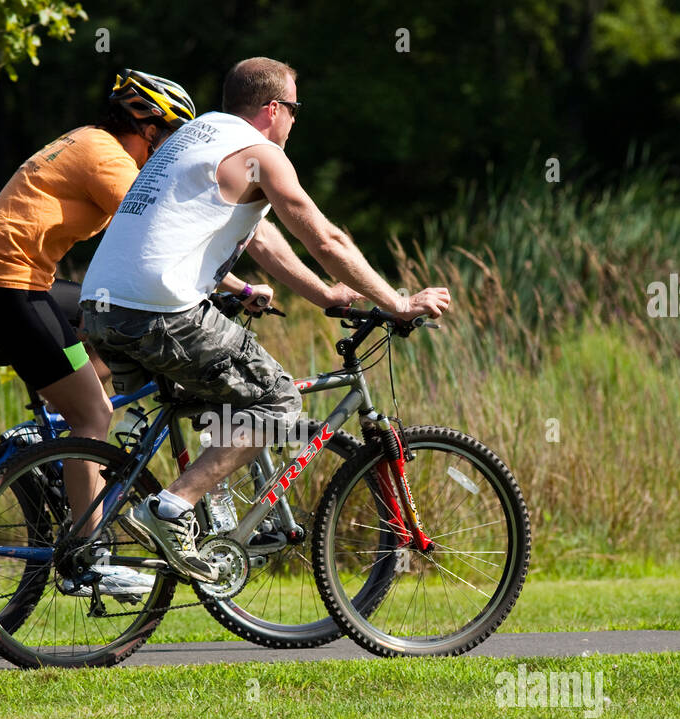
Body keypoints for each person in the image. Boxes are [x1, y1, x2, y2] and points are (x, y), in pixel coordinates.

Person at [80, 56, 450, 581]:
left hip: (101, 310)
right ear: (274, 109)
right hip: (156, 312)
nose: (295, 123)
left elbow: (263, 241)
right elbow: (325, 237)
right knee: (278, 399)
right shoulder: (259, 154)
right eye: (296, 110)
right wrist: (397, 301)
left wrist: (325, 294)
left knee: (221, 411)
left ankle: (178, 526)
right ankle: (170, 509)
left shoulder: (198, 136)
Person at [0, 70, 209, 597]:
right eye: (169, 137)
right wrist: (228, 280)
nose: (167, 153)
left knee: (108, 322)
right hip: (5, 287)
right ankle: (87, 559)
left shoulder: (88, 142)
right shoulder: (105, 156)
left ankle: (46, 441)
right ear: (147, 125)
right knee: (94, 414)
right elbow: (154, 231)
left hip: (7, 283)